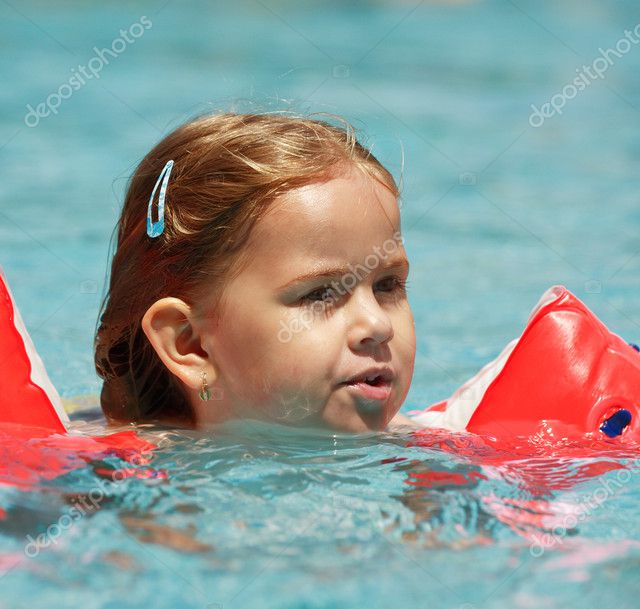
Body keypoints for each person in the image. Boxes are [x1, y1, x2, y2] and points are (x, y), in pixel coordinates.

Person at [94, 112, 420, 435]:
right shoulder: (106, 477)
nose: (379, 325)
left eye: (387, 285)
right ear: (191, 344)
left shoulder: (432, 461)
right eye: (320, 293)